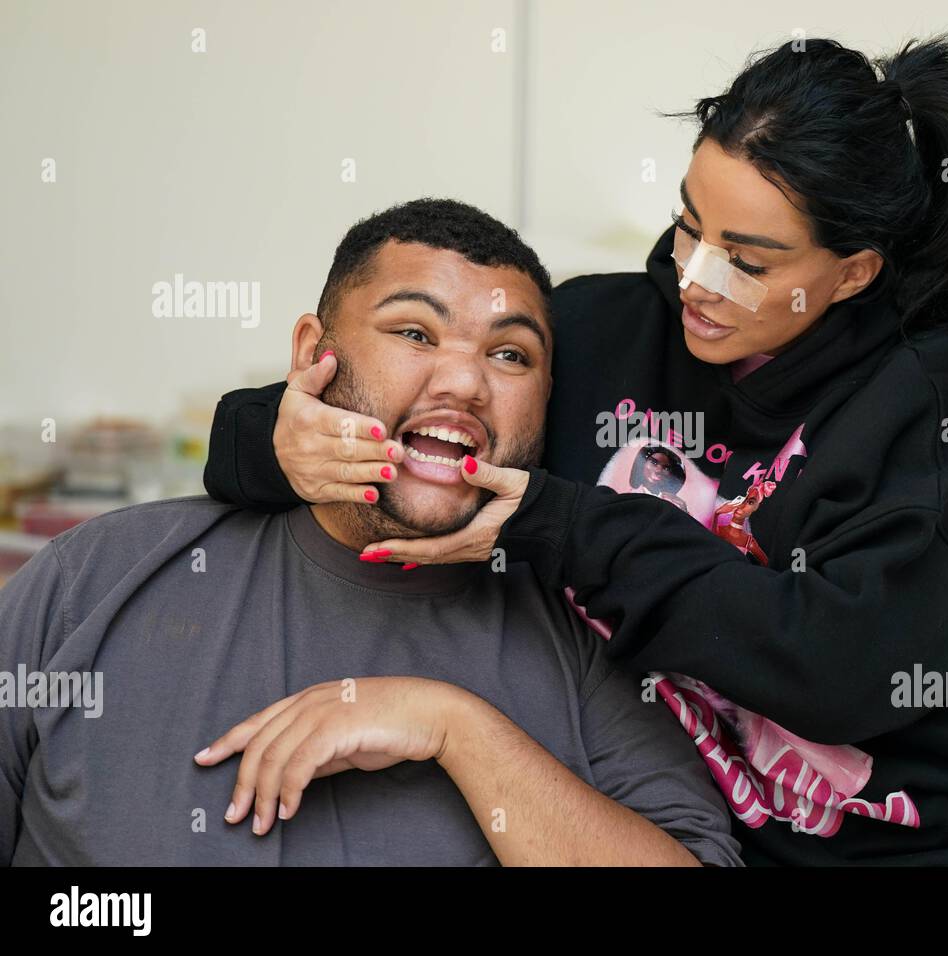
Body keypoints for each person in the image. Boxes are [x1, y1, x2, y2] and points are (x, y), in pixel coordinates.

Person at [202, 36, 948, 866]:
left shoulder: (929, 399)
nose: (698, 280)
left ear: (855, 272)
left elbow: (842, 669)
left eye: (749, 262)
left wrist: (564, 526)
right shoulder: (606, 329)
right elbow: (389, 426)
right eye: (690, 226)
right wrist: (285, 441)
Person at [0, 199, 742, 867]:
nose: (463, 384)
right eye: (416, 332)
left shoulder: (582, 637)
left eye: (509, 353)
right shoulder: (88, 582)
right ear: (309, 353)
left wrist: (456, 727)